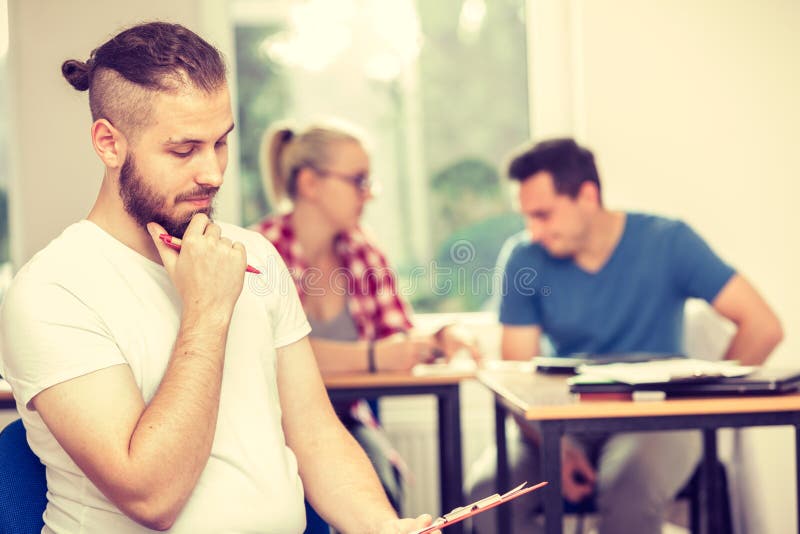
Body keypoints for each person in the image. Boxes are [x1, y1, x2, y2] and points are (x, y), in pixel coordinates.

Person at [0, 22, 437, 534]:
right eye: (184, 151)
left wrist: (380, 525)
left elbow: (316, 434)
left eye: (220, 143)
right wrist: (207, 311)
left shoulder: (254, 253)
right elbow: (151, 495)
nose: (213, 173)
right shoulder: (50, 292)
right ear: (108, 143)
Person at [466, 138, 783, 534]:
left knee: (627, 489)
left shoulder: (668, 241)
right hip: (561, 419)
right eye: (527, 217)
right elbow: (516, 373)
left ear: (587, 196)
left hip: (652, 419)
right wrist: (557, 450)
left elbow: (763, 325)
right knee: (487, 494)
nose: (533, 231)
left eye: (543, 215)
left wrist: (703, 398)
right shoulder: (523, 258)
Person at [252, 120, 480, 512]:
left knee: (381, 491)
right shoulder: (261, 252)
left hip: (346, 420)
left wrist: (443, 337)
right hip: (272, 427)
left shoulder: (362, 249)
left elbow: (398, 335)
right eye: (358, 181)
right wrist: (372, 357)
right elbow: (269, 354)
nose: (369, 195)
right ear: (310, 184)